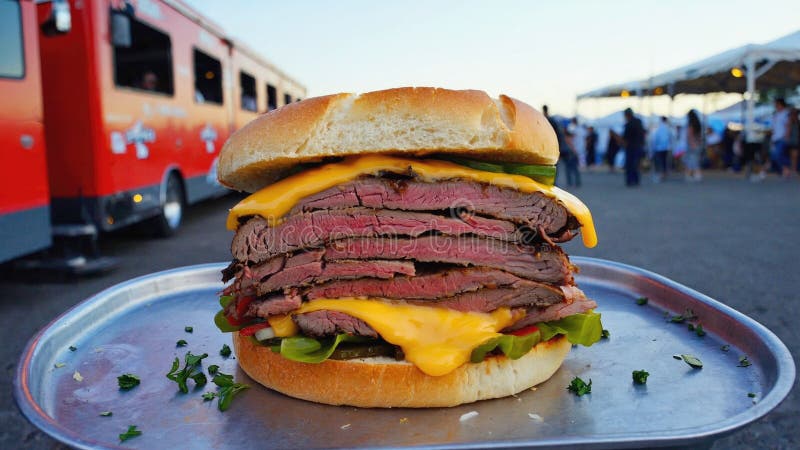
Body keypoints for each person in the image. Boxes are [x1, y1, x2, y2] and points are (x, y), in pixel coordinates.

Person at [619, 108, 645, 186]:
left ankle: (630, 181)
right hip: (639, 146)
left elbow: (625, 138)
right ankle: (636, 180)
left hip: (631, 147)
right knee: (636, 164)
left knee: (630, 164)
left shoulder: (629, 124)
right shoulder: (639, 122)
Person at [770, 98, 791, 177]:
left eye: (777, 104)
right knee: (775, 155)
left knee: (778, 154)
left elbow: (788, 126)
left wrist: (787, 136)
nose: (775, 106)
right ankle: (783, 170)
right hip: (775, 138)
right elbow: (773, 128)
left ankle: (785, 170)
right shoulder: (775, 115)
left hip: (782, 138)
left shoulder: (786, 114)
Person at [651, 116, 672, 182]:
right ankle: (664, 173)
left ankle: (661, 174)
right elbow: (671, 137)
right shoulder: (667, 128)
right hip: (666, 147)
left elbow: (655, 138)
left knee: (660, 161)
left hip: (659, 148)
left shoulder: (659, 128)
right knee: (664, 161)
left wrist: (654, 147)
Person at [684, 109, 703, 181]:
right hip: (697, 144)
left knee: (690, 160)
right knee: (696, 160)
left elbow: (689, 135)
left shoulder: (690, 124)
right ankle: (697, 174)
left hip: (692, 145)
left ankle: (690, 174)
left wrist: (691, 143)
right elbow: (699, 136)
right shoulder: (698, 124)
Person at [787, 107, 799, 178]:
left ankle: (793, 170)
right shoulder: (790, 123)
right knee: (792, 157)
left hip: (795, 142)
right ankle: (792, 170)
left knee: (794, 157)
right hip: (791, 142)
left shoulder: (797, 123)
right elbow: (787, 133)